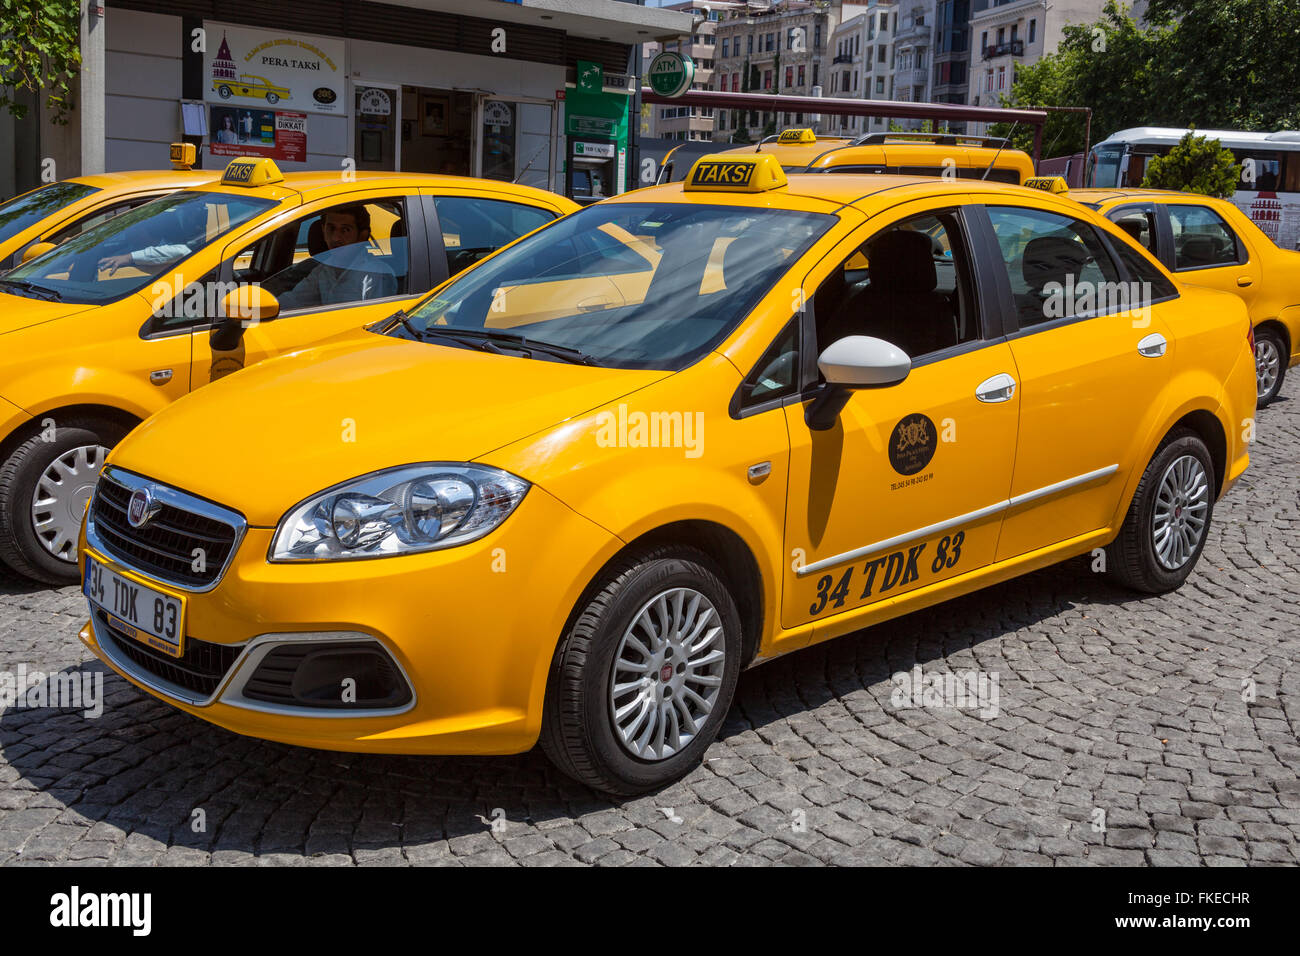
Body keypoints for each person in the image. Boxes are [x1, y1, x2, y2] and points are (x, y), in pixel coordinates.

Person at [277, 205, 396, 310]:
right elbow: (292, 301)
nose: (335, 238)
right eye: (331, 228)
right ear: (323, 231)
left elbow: (377, 323)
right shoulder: (323, 270)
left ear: (362, 236)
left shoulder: (377, 274)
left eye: (345, 230)